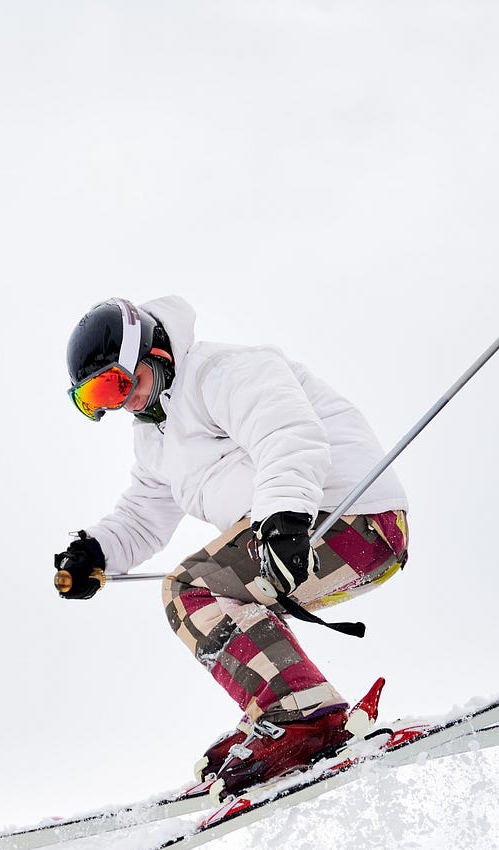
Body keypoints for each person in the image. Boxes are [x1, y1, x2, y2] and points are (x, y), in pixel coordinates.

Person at [54, 296, 408, 798]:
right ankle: (282, 709)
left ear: (156, 354)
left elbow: (285, 433)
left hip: (347, 516)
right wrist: (95, 551)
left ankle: (301, 713)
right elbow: (143, 516)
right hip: (305, 533)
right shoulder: (155, 440)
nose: (119, 403)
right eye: (96, 399)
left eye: (117, 384)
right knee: (220, 597)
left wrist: (284, 515)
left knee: (190, 591)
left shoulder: (220, 372)